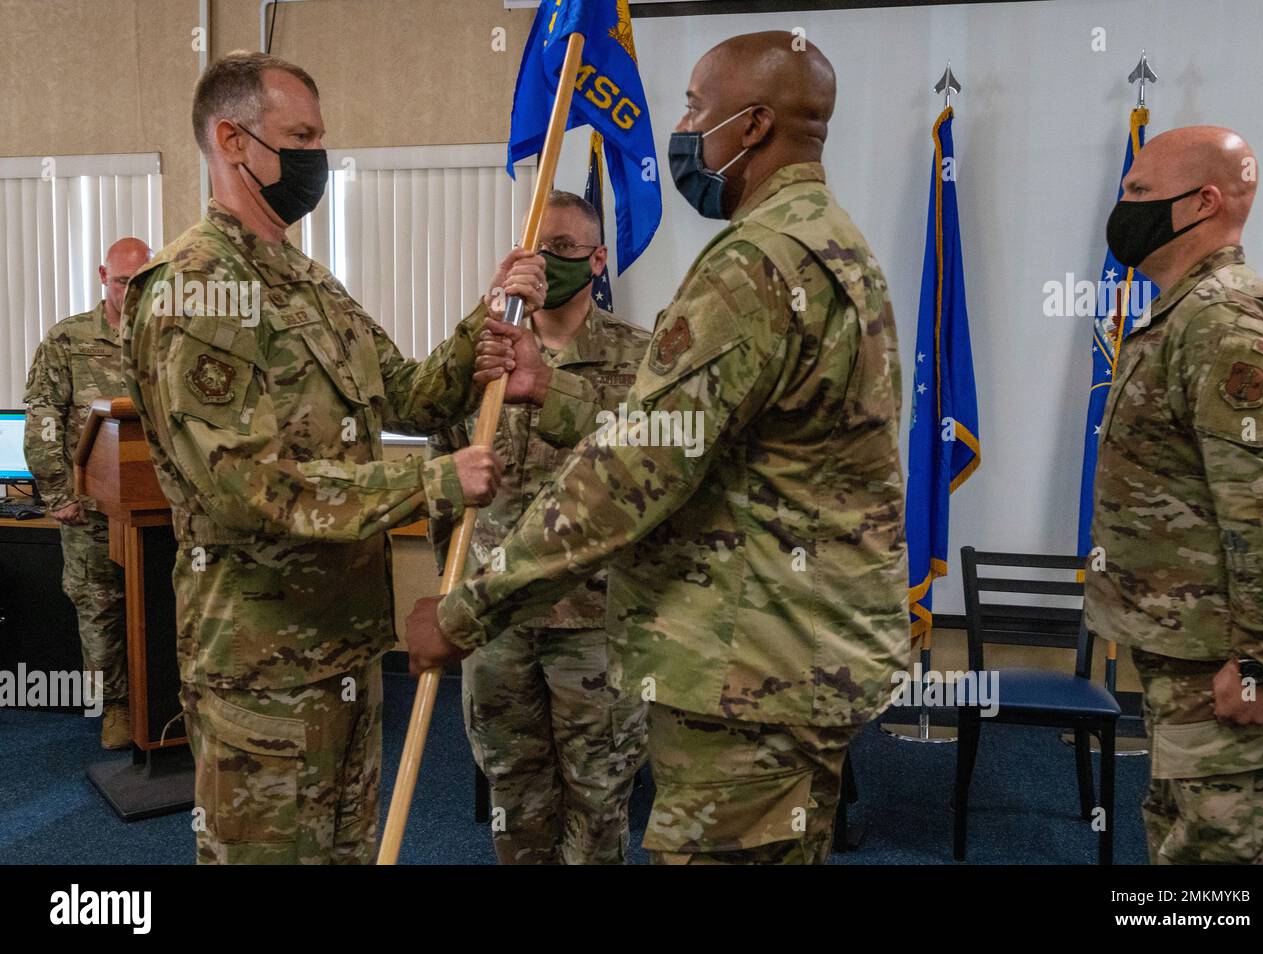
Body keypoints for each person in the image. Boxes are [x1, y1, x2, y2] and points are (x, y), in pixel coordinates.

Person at [408, 31, 911, 864]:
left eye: (693, 108)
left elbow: (630, 471)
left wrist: (463, 612)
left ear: (750, 127)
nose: (681, 128)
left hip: (749, 669)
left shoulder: (756, 264)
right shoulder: (836, 245)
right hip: (798, 655)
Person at [120, 50, 538, 864]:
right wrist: (430, 481)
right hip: (263, 670)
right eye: (301, 136)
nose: (318, 157)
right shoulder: (196, 288)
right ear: (233, 141)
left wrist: (488, 320)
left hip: (344, 648)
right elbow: (248, 489)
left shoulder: (308, 282)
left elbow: (412, 394)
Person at [1088, 125, 1263, 864]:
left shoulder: (1224, 323)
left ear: (1203, 202)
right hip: (1184, 650)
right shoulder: (1183, 314)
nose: (1125, 209)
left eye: (1140, 194)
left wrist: (1257, 663)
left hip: (1224, 658)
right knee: (1181, 845)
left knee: (1217, 865)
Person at [430, 190, 649, 864]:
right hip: (497, 622)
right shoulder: (481, 357)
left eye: (564, 249)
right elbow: (445, 478)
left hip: (596, 624)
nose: (549, 261)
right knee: (513, 798)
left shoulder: (641, 358)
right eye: (538, 248)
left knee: (597, 801)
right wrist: (453, 592)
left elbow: (654, 468)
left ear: (597, 258)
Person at [24, 237, 151, 749]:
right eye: (123, 281)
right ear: (103, 276)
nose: (132, 291)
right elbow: (42, 418)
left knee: (164, 603)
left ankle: (164, 703)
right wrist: (59, 495)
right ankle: (115, 707)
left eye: (142, 282)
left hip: (155, 508)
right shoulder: (69, 339)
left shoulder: (168, 338)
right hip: (91, 507)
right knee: (99, 606)